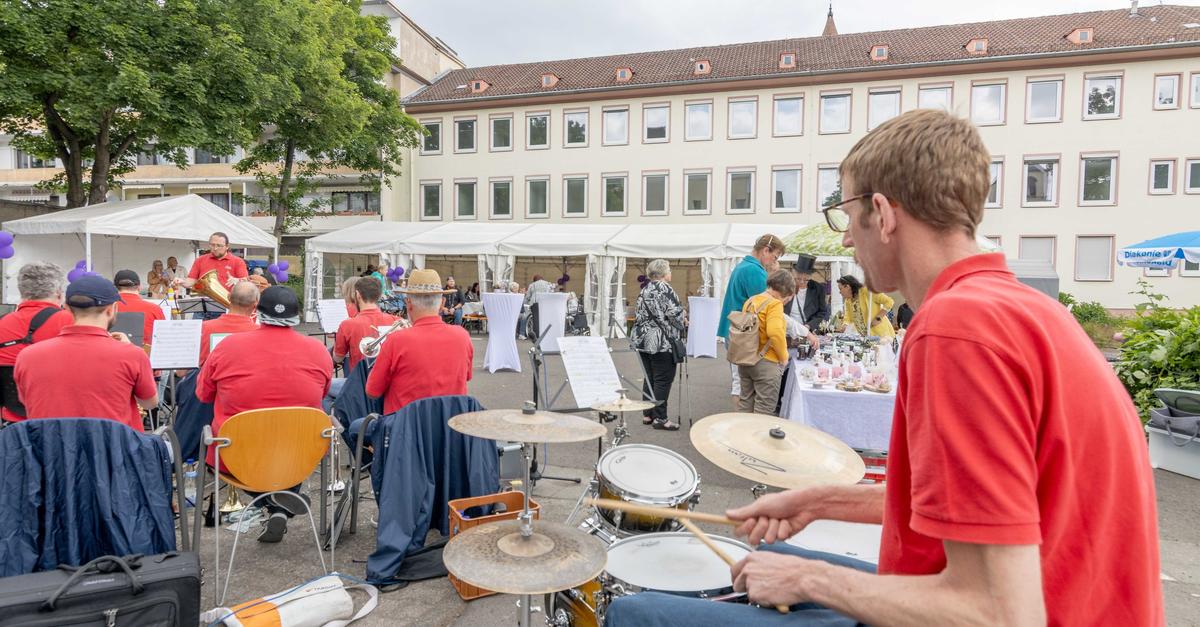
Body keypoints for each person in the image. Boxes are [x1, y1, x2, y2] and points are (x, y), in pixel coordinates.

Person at [606, 108, 1162, 625]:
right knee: (765, 552)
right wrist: (819, 502)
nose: (846, 237)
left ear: (884, 213)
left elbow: (1001, 612)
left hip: (1008, 607)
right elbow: (973, 507)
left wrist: (812, 577)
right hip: (1047, 593)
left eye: (846, 216)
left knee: (637, 614)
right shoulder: (1022, 308)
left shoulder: (956, 329)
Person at [196, 286, 332, 543]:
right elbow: (322, 395)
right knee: (294, 436)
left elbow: (203, 395)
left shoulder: (227, 347)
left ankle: (271, 503)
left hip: (238, 455)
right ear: (297, 316)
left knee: (210, 440)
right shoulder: (318, 351)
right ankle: (281, 502)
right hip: (300, 454)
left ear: (258, 310)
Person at [14, 275, 158, 431]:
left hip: (50, 451)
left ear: (67, 308)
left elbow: (26, 401)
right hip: (114, 450)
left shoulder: (27, 356)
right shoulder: (132, 354)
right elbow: (149, 403)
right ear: (112, 309)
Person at [365, 269, 473, 416]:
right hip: (449, 430)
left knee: (355, 428)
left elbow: (372, 391)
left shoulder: (396, 340)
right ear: (442, 303)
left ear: (408, 303)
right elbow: (466, 377)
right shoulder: (463, 336)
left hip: (404, 430)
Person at [0, 262, 76, 423]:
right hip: (60, 421)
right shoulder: (70, 321)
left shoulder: (3, 323)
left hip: (12, 421)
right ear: (58, 292)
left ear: (22, 291)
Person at [718, 234, 785, 407]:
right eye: (774, 257)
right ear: (765, 250)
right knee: (741, 386)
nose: (773, 261)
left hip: (736, 332)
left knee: (741, 383)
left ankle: (741, 422)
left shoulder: (745, 266)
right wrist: (774, 274)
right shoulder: (754, 270)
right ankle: (740, 425)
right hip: (743, 335)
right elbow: (768, 303)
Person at [629, 259, 685, 431]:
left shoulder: (645, 289)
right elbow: (675, 315)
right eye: (669, 270)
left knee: (650, 377)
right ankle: (660, 418)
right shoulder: (666, 289)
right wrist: (683, 320)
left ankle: (648, 414)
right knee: (662, 379)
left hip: (643, 340)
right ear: (664, 273)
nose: (671, 273)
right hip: (661, 342)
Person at [736, 269, 793, 415]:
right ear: (785, 291)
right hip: (766, 362)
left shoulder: (750, 301)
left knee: (745, 404)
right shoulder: (774, 304)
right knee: (764, 410)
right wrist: (784, 357)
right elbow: (774, 331)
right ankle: (757, 438)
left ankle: (741, 437)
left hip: (745, 358)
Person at [334, 277, 398, 372]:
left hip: (360, 381)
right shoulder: (396, 321)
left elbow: (338, 358)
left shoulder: (347, 324)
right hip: (389, 382)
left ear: (358, 295)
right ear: (379, 296)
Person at [198, 281, 260, 366]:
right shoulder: (260, 332)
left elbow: (181, 372)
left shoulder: (204, 327)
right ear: (256, 304)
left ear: (228, 297)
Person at [174, 232, 248, 290]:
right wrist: (182, 281)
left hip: (228, 303)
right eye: (212, 245)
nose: (215, 248)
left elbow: (246, 282)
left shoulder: (238, 261)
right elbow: (191, 280)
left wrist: (237, 280)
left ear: (227, 246)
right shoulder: (200, 260)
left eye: (219, 245)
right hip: (205, 300)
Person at [114, 270, 167, 347]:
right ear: (139, 287)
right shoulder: (155, 309)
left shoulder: (106, 308)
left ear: (115, 288)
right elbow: (163, 338)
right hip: (145, 356)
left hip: (113, 356)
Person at [784, 254, 829, 330]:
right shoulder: (785, 285)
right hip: (786, 327)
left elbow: (822, 312)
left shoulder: (818, 289)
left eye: (805, 280)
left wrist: (809, 325)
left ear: (810, 277)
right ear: (794, 274)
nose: (801, 282)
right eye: (798, 278)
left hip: (807, 329)